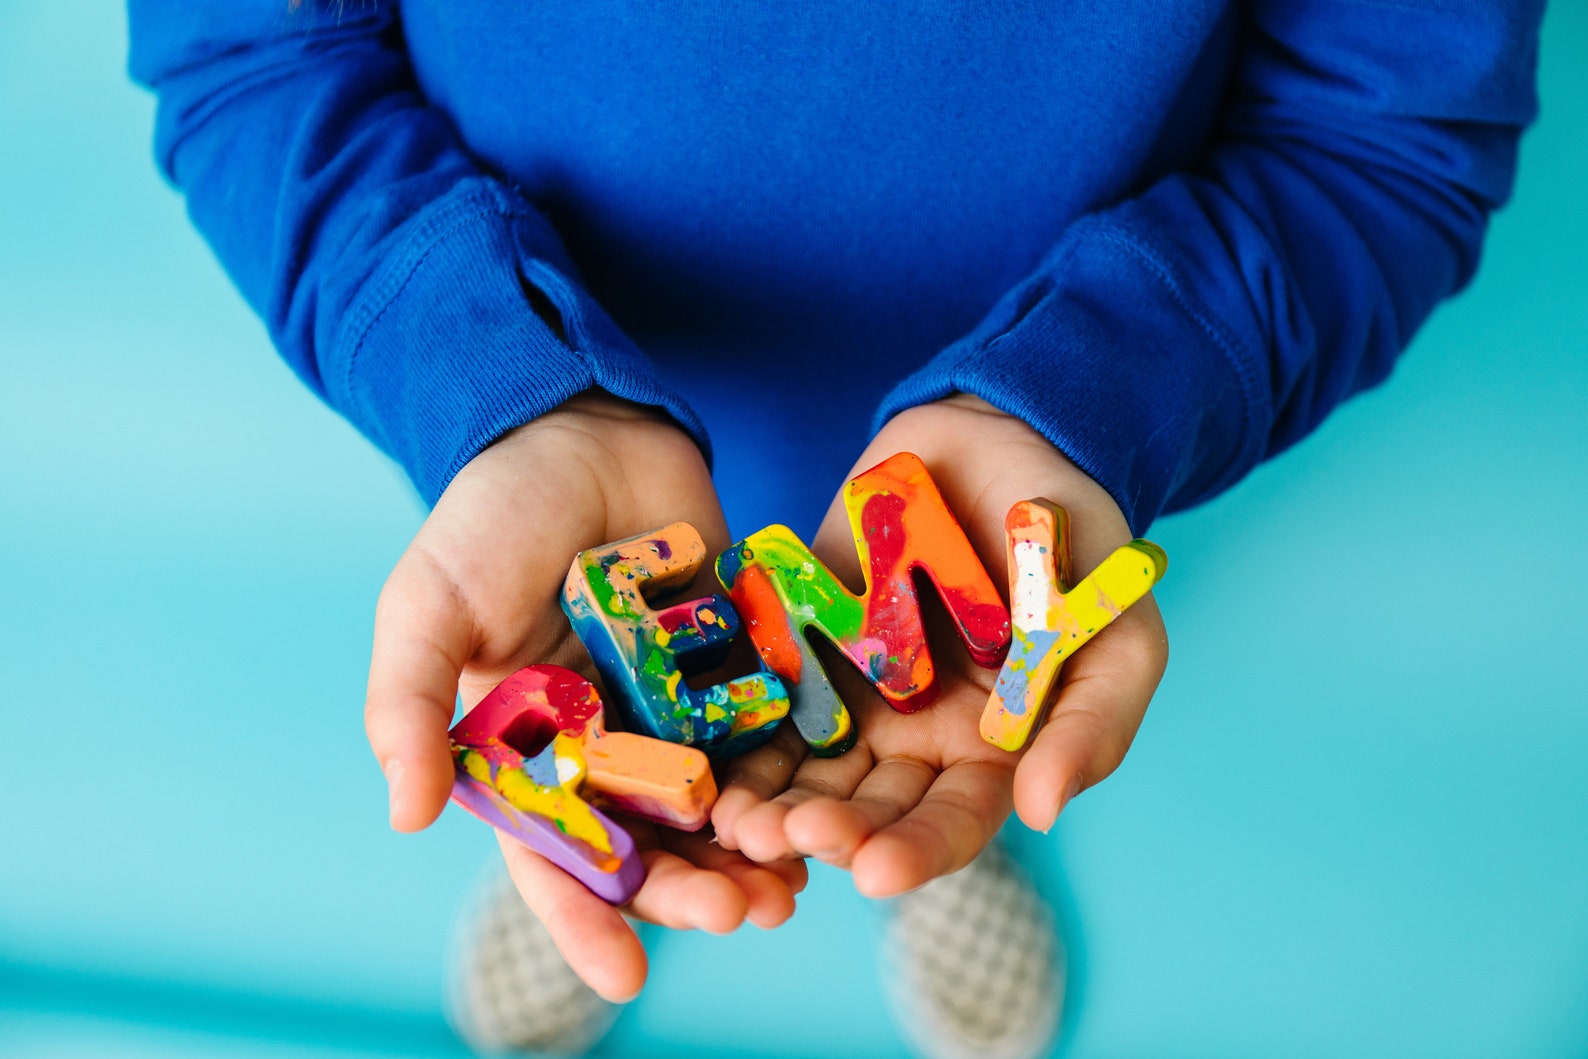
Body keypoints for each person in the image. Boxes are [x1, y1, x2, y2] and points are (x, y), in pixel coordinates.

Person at [128, 1, 1543, 1055]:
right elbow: (249, 53)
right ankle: (599, 819)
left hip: (1019, 452)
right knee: (592, 694)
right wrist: (498, 386)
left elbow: (1386, 134)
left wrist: (1095, 401)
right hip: (554, 423)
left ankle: (930, 826)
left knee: (925, 749)